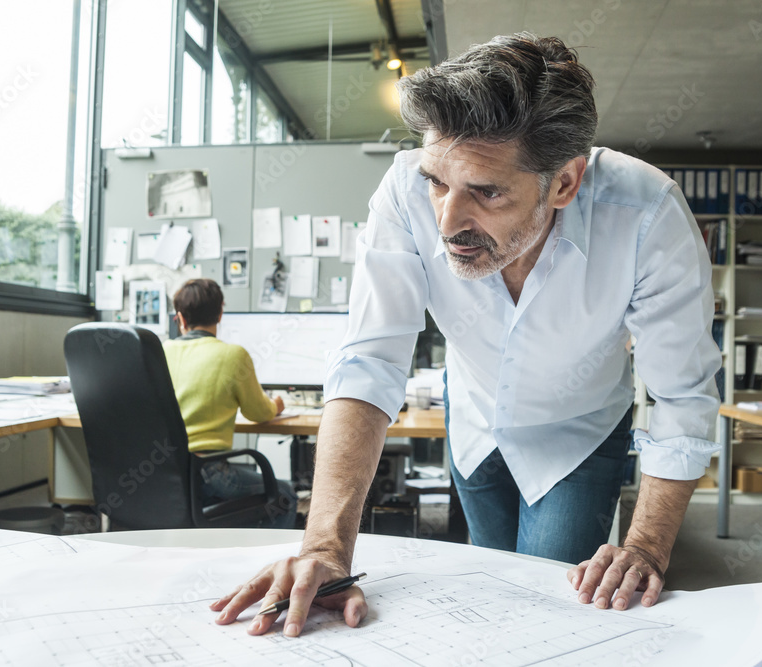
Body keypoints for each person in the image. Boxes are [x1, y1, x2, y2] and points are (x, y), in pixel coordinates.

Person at [211, 33, 722, 636]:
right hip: (474, 413)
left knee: (550, 604)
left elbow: (681, 397)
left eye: (486, 191)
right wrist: (325, 548)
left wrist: (646, 546)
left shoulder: (646, 216)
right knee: (486, 572)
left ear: (564, 183)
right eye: (437, 182)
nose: (448, 222)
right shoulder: (403, 193)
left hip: (578, 429)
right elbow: (370, 361)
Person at [164, 278, 297, 529]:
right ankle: (262, 564)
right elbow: (258, 412)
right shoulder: (233, 355)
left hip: (167, 473)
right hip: (210, 472)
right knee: (285, 496)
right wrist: (276, 405)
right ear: (220, 314)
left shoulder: (161, 351)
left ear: (180, 318)